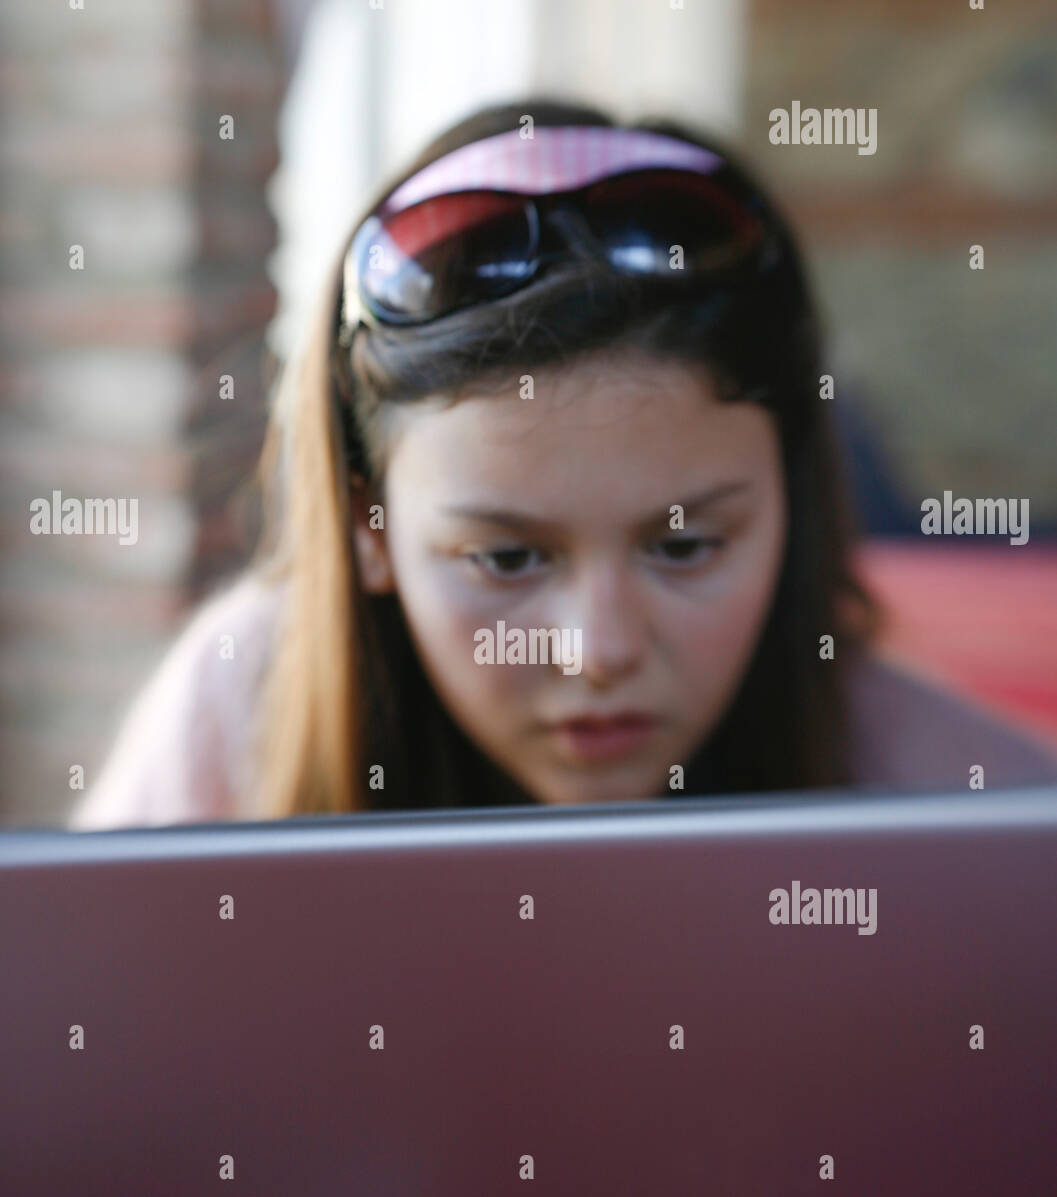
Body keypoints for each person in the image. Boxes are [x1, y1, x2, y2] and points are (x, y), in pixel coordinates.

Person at [70, 100, 1057, 830]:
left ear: (789, 502)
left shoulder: (972, 819)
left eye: (684, 545)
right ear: (369, 526)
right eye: (505, 559)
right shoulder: (236, 715)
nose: (598, 651)